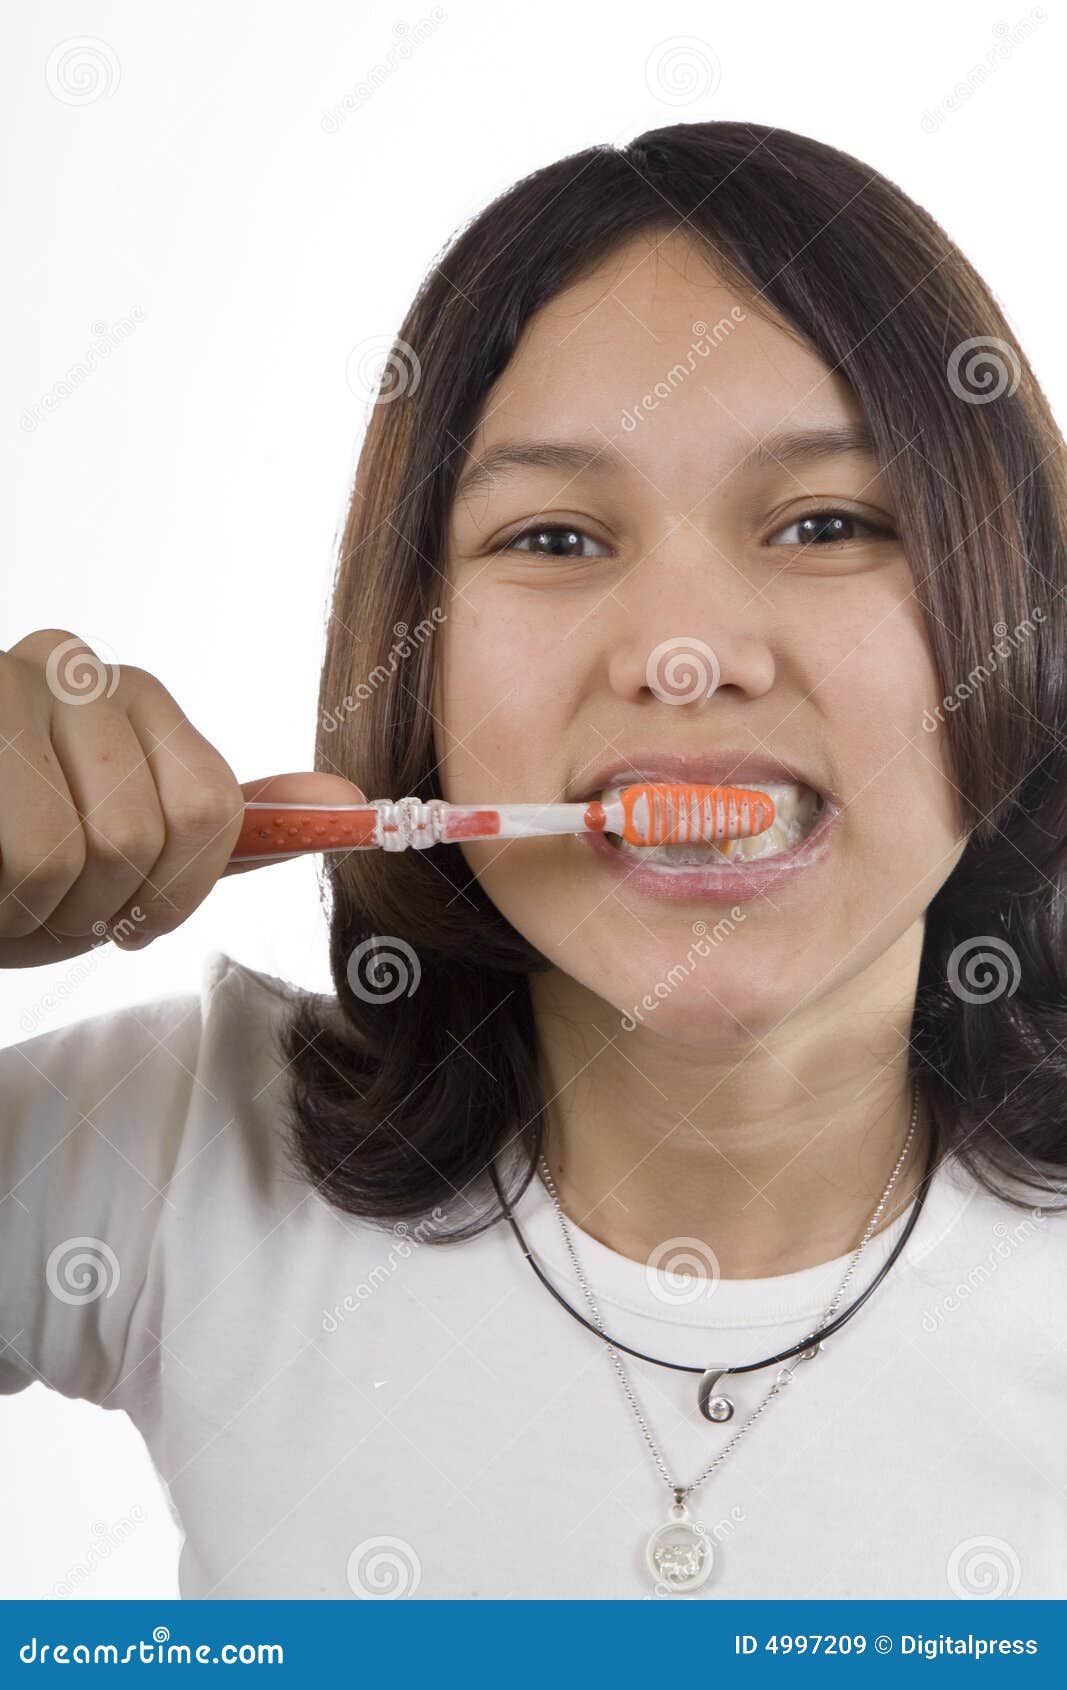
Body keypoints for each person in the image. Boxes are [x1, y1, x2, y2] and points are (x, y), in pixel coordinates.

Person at [2, 120, 1066, 1601]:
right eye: (556, 539)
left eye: (827, 523)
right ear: (417, 663)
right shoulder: (166, 1153)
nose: (684, 654)